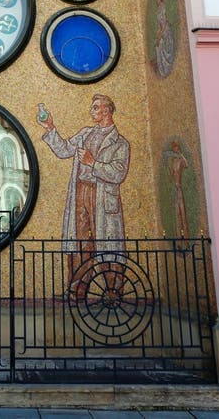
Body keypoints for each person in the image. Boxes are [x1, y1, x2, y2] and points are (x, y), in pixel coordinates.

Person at [37, 94, 130, 289]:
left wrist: (92, 163)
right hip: (80, 192)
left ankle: (113, 292)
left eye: (95, 107)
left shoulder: (120, 143)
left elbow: (118, 174)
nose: (91, 110)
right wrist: (49, 127)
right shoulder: (86, 133)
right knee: (80, 242)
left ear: (106, 111)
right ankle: (77, 290)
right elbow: (63, 150)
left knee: (106, 244)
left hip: (102, 196)